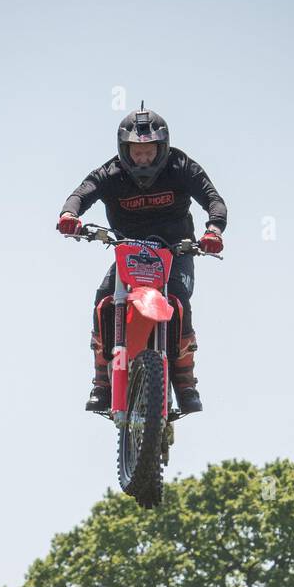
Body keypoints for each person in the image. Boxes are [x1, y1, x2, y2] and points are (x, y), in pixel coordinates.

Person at [58, 104, 226, 415]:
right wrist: (70, 215)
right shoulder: (110, 173)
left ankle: (185, 382)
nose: (143, 158)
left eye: (149, 151)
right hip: (129, 251)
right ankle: (101, 382)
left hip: (177, 250)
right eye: (136, 151)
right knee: (103, 301)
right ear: (124, 150)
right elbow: (82, 193)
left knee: (177, 300)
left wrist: (213, 231)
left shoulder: (181, 166)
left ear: (163, 148)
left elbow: (212, 198)